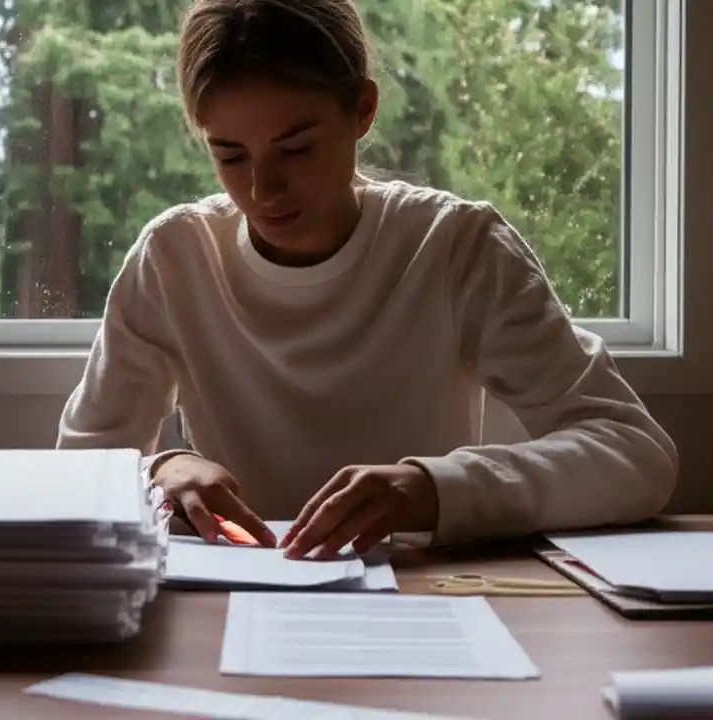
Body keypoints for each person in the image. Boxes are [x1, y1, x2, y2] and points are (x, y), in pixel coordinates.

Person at [55, 0, 677, 560]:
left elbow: (634, 454)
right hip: (233, 601)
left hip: (422, 597)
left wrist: (433, 489)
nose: (262, 191)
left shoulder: (454, 245)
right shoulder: (175, 256)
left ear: (362, 111)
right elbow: (80, 466)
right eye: (230, 156)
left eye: (296, 149)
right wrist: (162, 468)